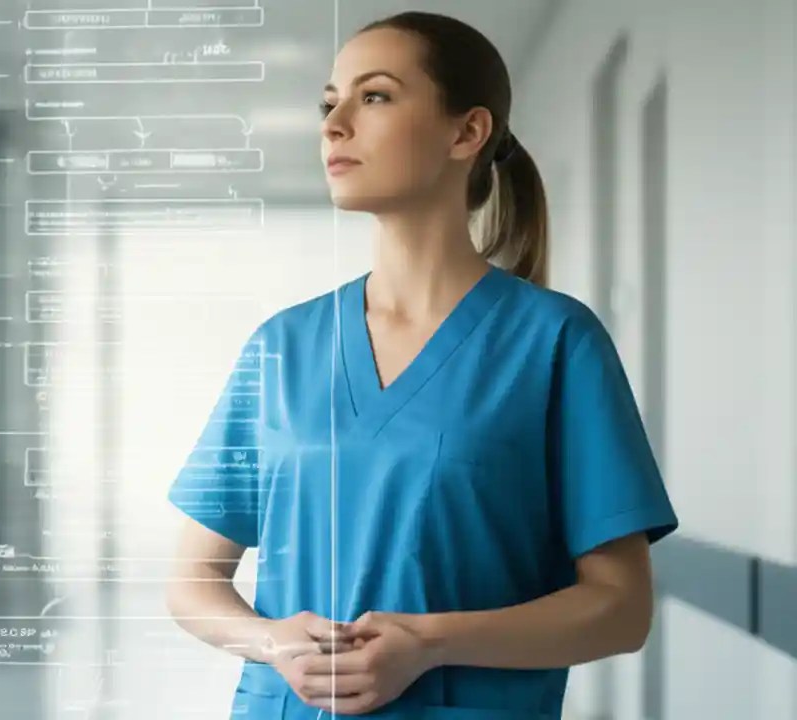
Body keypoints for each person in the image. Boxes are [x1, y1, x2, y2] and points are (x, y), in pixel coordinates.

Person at [164, 10, 679, 719]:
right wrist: (270, 642)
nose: (335, 123)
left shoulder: (554, 342)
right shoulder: (280, 346)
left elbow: (621, 610)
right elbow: (193, 580)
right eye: (328, 102)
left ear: (466, 132)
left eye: (373, 96)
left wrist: (429, 643)